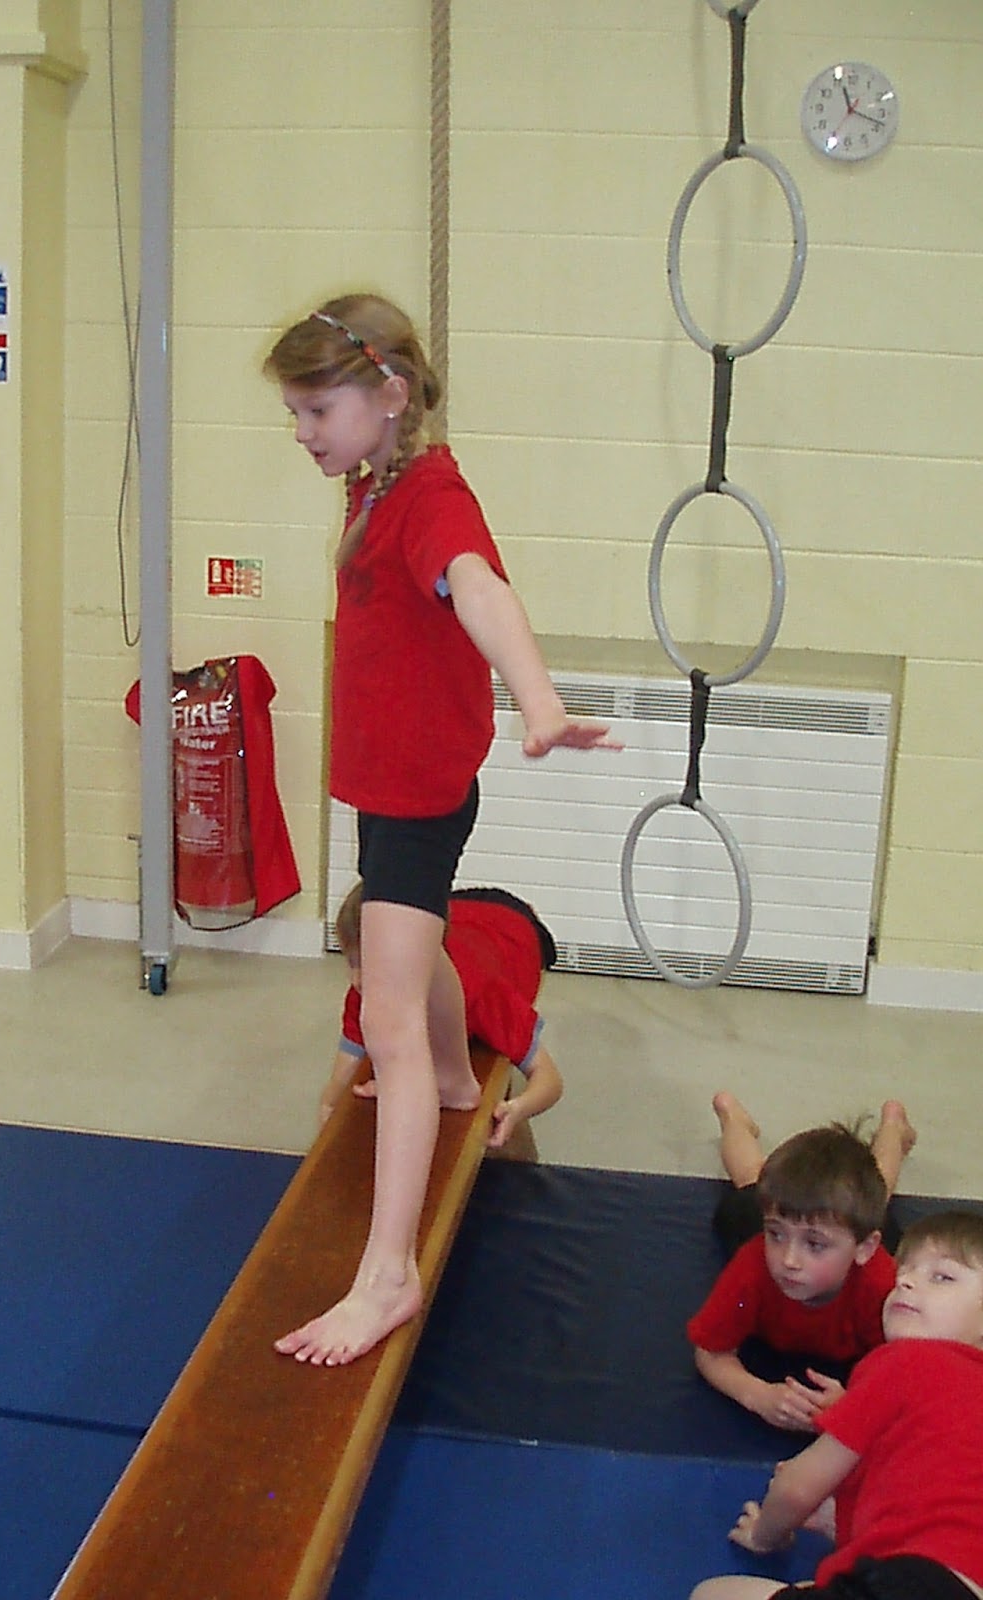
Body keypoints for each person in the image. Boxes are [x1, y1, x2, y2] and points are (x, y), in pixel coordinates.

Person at [263, 293, 620, 1366]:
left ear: (390, 395)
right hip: (400, 788)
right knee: (399, 951)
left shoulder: (427, 496)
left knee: (390, 1018)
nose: (302, 432)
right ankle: (464, 1079)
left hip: (416, 797)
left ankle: (388, 1275)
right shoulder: (379, 480)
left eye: (317, 408)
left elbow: (479, 587)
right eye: (294, 412)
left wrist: (539, 701)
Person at [688, 1208, 983, 1600]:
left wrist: (765, 1536)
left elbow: (796, 1488)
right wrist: (842, 1522)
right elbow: (940, 1494)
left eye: (941, 1277)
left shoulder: (905, 1361)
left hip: (913, 1583)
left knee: (714, 1594)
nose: (907, 1283)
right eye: (903, 1273)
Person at [686, 1094, 917, 1431]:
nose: (789, 1260)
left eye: (814, 1245)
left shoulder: (881, 1284)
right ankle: (734, 1121)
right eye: (776, 1235)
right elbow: (709, 1352)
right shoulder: (754, 1266)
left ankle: (894, 1129)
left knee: (878, 1191)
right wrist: (757, 1394)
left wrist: (856, 1402)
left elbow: (908, 1369)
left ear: (864, 1248)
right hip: (757, 1220)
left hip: (855, 1246)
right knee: (752, 1179)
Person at [321, 882, 564, 1159]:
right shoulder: (363, 992)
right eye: (352, 962)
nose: (358, 980)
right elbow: (339, 1086)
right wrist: (329, 1123)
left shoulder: (482, 992)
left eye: (370, 964)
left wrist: (518, 1109)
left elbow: (550, 1080)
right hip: (456, 909)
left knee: (497, 1090)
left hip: (514, 924)